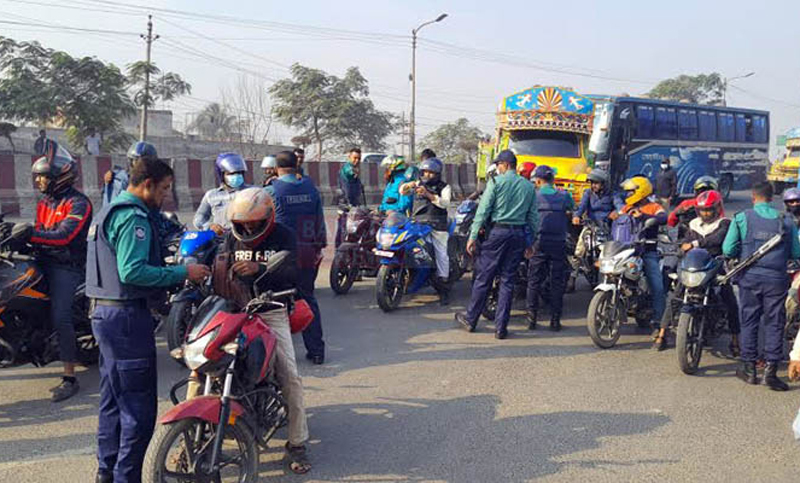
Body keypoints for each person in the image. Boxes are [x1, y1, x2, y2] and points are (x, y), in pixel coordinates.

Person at [86, 157, 211, 483]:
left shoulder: (109, 211)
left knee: (113, 401)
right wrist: (185, 271)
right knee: (138, 411)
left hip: (105, 314)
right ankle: (126, 477)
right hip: (126, 317)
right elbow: (133, 271)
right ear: (147, 185)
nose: (166, 196)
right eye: (165, 188)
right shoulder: (132, 218)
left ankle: (107, 472)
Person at [219, 187, 312, 474]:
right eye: (242, 223)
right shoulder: (230, 238)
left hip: (271, 309)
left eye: (253, 222)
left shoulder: (283, 235)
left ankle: (297, 444)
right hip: (235, 309)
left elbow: (294, 270)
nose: (247, 227)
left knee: (290, 377)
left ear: (268, 217)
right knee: (203, 366)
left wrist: (260, 267)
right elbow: (219, 264)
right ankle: (193, 432)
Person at [25, 141, 93, 402]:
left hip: (67, 265)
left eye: (43, 176)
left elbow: (64, 236)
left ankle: (69, 377)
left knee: (60, 315)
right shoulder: (45, 203)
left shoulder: (79, 203)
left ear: (59, 177)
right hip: (43, 260)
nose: (39, 181)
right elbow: (39, 231)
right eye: (38, 177)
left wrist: (32, 235)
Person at [723, 181, 800, 391]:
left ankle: (749, 370)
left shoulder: (741, 217)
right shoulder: (787, 221)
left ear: (753, 197)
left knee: (749, 320)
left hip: (749, 278)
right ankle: (771, 372)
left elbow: (728, 249)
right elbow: (796, 253)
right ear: (772, 197)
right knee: (775, 322)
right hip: (776, 280)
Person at [455, 150, 538, 338]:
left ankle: (471, 319)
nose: (498, 168)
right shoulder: (528, 186)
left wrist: (473, 236)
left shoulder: (496, 183)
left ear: (506, 165)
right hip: (517, 235)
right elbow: (533, 218)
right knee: (508, 281)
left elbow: (483, 211)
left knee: (484, 277)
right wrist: (530, 241)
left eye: (499, 165)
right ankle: (501, 328)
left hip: (497, 233)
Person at [652, 190, 740, 353]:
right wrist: (681, 248)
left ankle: (736, 340)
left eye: (709, 210)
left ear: (717, 208)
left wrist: (694, 244)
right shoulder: (693, 224)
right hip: (693, 266)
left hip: (715, 265)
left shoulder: (725, 223)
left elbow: (717, 239)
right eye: (702, 210)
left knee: (730, 300)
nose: (706, 214)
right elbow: (685, 241)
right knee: (675, 296)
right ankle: (662, 334)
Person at [264, 151, 327, 364]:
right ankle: (317, 351)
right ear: (296, 165)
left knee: (272, 303)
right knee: (307, 299)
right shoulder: (311, 189)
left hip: (280, 253)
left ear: (275, 167)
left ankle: (274, 355)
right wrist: (320, 246)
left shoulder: (271, 191)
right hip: (308, 250)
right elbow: (320, 221)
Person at [526, 165, 574, 331]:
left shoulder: (533, 195)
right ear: (553, 180)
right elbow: (571, 209)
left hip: (539, 242)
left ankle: (532, 319)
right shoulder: (564, 195)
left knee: (534, 280)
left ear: (538, 181)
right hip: (558, 243)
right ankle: (555, 320)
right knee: (557, 282)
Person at [399, 157, 453, 305]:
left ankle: (443, 286)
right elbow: (402, 192)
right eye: (425, 172)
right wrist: (407, 185)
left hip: (437, 225)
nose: (427, 175)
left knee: (441, 253)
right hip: (418, 224)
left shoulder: (444, 187)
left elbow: (445, 203)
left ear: (437, 174)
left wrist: (429, 195)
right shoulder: (417, 184)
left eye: (431, 173)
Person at [619, 177, 668, 329]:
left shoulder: (654, 206)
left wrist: (645, 217)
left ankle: (659, 321)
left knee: (657, 286)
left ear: (641, 191)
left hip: (647, 251)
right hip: (627, 251)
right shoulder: (627, 207)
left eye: (630, 192)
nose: (627, 195)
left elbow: (663, 217)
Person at [193, 152, 251, 235]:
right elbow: (199, 218)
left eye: (239, 173)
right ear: (222, 174)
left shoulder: (253, 192)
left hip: (246, 238)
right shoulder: (211, 195)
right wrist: (210, 226)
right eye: (231, 174)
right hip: (220, 240)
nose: (236, 176)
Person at [573, 168, 615, 257]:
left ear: (603, 184)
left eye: (596, 183)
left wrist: (617, 212)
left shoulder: (612, 194)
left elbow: (620, 205)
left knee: (607, 253)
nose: (593, 186)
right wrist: (577, 216)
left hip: (605, 229)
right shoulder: (588, 193)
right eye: (592, 183)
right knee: (579, 252)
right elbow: (582, 207)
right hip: (590, 227)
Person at [103, 141, 158, 207]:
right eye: (136, 161)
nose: (140, 166)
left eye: (145, 163)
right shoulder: (119, 179)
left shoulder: (155, 181)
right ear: (130, 162)